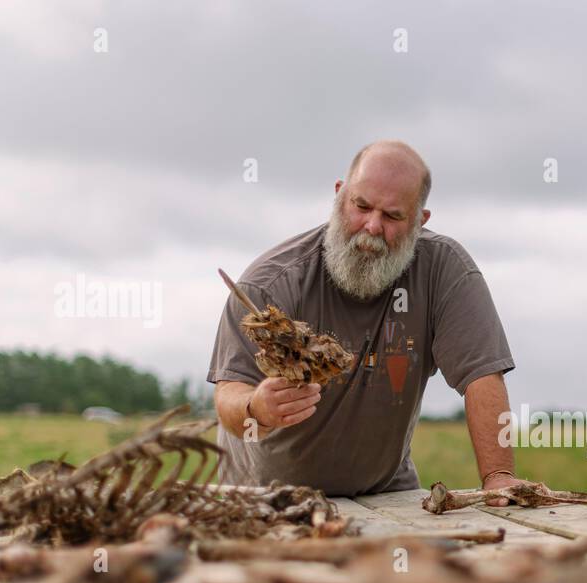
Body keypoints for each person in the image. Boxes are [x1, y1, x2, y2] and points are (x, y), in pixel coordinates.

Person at [207, 140, 526, 502]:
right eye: (361, 206)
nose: (372, 227)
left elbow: (481, 376)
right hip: (264, 496)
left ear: (420, 220)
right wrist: (257, 409)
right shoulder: (270, 283)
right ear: (339, 195)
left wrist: (498, 477)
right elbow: (229, 392)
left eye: (392, 216)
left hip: (384, 493)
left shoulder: (445, 271)